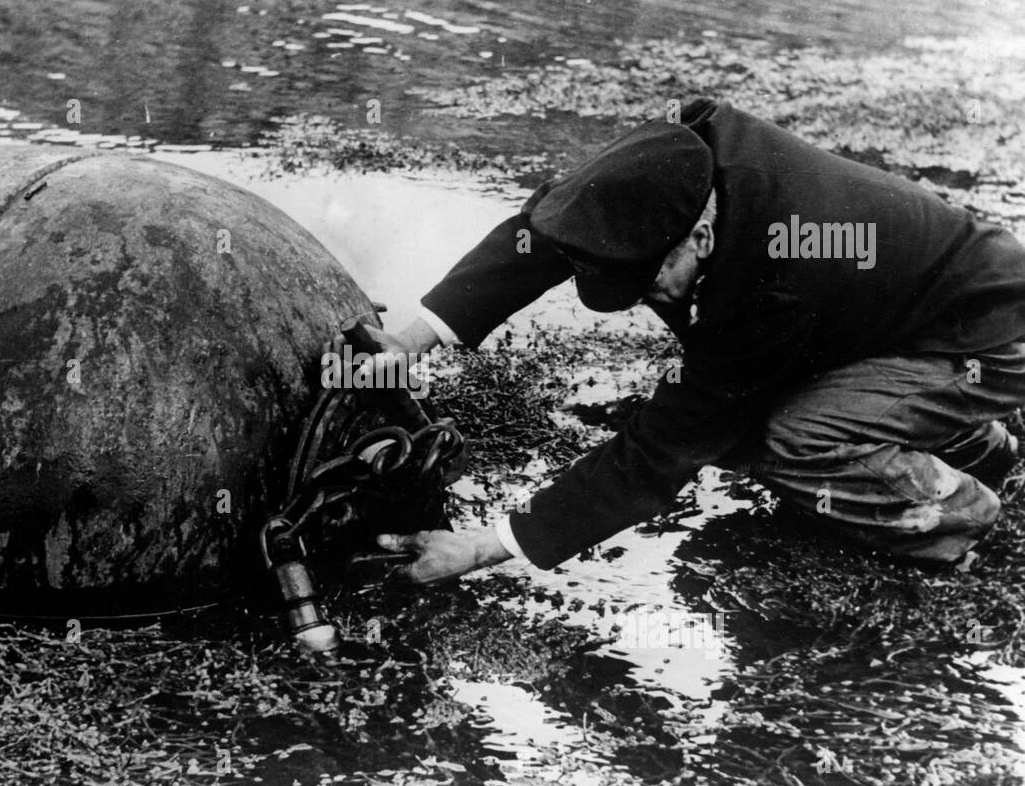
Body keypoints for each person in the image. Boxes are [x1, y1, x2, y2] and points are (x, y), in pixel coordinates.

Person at [370, 97, 1025, 583]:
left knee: (783, 437)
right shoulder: (669, 155)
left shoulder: (774, 283)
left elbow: (666, 445)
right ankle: (971, 443)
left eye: (655, 286)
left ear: (703, 239)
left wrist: (489, 545)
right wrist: (411, 340)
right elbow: (544, 233)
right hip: (893, 306)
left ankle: (956, 519)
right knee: (778, 417)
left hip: (986, 335)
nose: (653, 306)